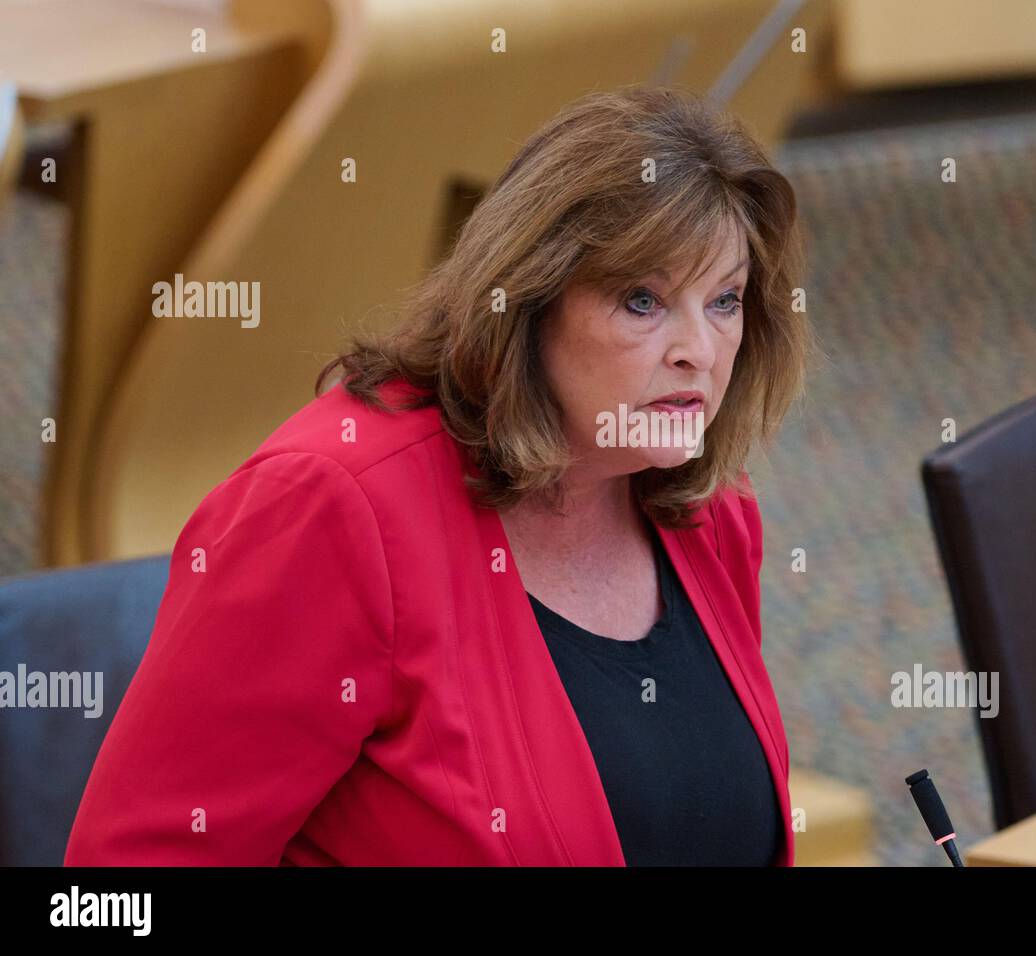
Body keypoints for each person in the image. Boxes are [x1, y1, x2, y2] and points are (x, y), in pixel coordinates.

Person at [64, 84, 814, 866]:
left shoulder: (708, 509)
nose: (700, 347)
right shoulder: (335, 507)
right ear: (529, 301)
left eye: (725, 300)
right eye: (642, 300)